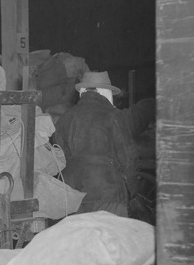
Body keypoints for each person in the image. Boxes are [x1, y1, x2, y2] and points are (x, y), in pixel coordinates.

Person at [51, 70, 138, 218]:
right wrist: (133, 190)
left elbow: (57, 158)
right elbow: (128, 158)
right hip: (108, 194)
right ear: (105, 92)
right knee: (110, 238)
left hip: (73, 196)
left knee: (79, 239)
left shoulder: (65, 118)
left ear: (83, 92)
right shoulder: (113, 116)